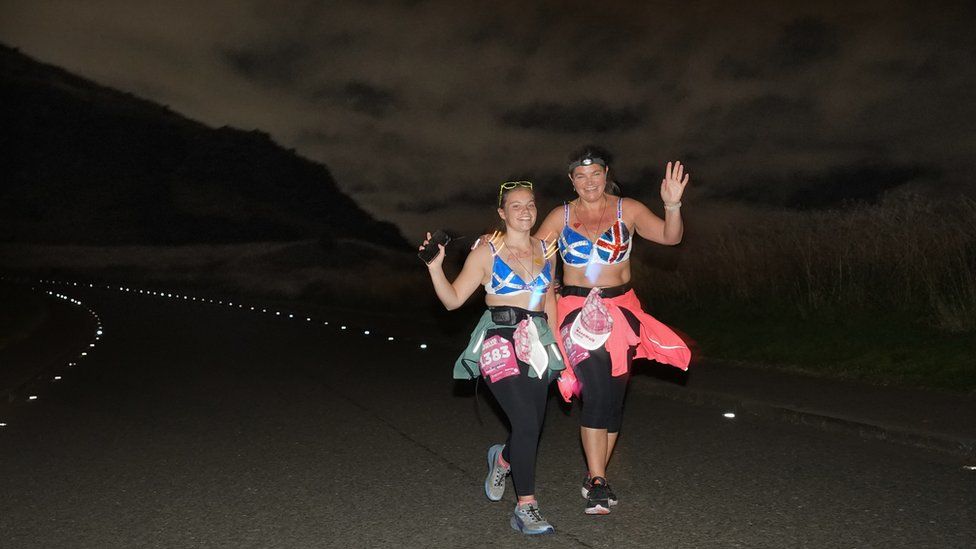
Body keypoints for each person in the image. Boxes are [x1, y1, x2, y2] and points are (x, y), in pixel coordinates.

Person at [534, 145, 692, 515]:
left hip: (621, 309)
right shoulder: (560, 215)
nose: (589, 182)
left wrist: (672, 205)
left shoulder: (629, 210)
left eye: (595, 173)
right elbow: (533, 255)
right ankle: (597, 480)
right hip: (575, 310)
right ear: (571, 180)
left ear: (606, 175)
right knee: (597, 388)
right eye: (580, 175)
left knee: (614, 397)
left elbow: (671, 238)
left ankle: (595, 474)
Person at [419, 180, 565, 535]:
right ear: (502, 213)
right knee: (528, 425)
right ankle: (525, 507)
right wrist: (436, 267)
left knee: (530, 424)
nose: (525, 211)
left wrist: (559, 351)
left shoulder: (547, 250)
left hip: (538, 343)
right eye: (515, 205)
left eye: (530, 204)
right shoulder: (487, 251)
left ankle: (501, 459)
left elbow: (549, 302)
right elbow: (453, 300)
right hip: (499, 341)